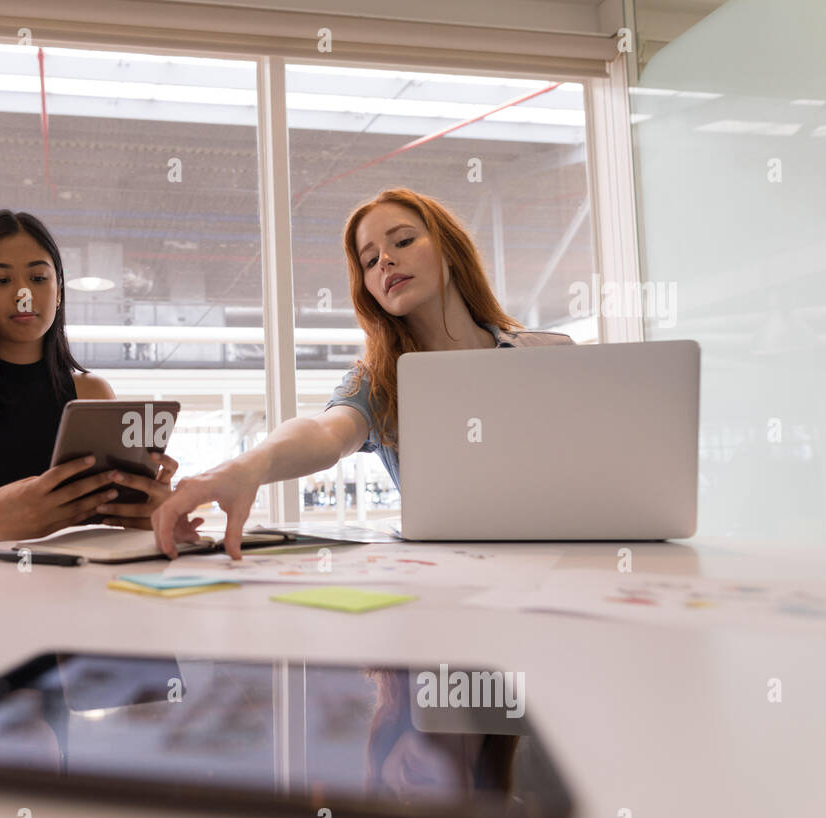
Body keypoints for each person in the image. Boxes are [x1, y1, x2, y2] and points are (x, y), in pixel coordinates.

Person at [151, 187, 574, 558]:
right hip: (451, 584)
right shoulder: (380, 383)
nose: (386, 261)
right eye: (370, 261)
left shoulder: (551, 356)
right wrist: (247, 468)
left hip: (569, 563)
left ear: (450, 249)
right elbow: (325, 433)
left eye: (404, 241)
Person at [0, 209, 188, 546]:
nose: (23, 293)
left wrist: (151, 509)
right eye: (1, 280)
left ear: (58, 291)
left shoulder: (91, 391)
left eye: (39, 278)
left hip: (79, 578)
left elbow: (116, 522)